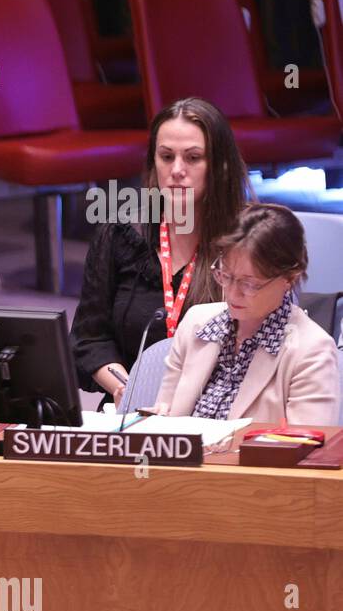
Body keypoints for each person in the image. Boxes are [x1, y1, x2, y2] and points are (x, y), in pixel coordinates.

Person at [72, 97, 252, 405]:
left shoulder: (248, 239)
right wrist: (124, 387)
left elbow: (266, 346)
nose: (177, 170)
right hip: (135, 412)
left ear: (220, 166)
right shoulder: (120, 233)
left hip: (222, 412)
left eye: (193, 158)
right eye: (166, 156)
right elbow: (90, 339)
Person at [152, 203, 339, 426]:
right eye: (225, 275)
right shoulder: (197, 323)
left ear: (289, 278)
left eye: (249, 284)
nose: (232, 293)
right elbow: (166, 418)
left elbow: (305, 451)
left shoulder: (311, 351)